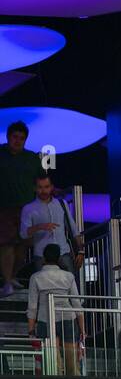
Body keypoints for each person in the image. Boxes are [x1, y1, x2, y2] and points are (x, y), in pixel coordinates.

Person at [27, 243, 84, 376]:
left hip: (45, 319)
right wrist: (82, 329)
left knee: (52, 365)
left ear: (44, 258)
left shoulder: (36, 277)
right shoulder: (68, 276)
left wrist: (31, 331)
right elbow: (76, 304)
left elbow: (32, 307)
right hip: (68, 318)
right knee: (72, 363)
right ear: (59, 258)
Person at [0, 122, 44, 297]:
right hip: (3, 208)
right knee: (6, 244)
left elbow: (41, 180)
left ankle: (12, 277)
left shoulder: (32, 158)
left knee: (23, 245)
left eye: (21, 138)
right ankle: (8, 281)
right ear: (8, 137)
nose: (17, 141)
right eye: (14, 137)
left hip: (27, 209)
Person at [19, 173, 82, 274]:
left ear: (51, 187)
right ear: (35, 188)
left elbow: (73, 229)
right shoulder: (29, 208)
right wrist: (39, 226)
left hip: (63, 253)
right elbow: (23, 233)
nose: (43, 191)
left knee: (69, 285)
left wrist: (81, 251)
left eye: (46, 187)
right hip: (42, 256)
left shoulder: (61, 204)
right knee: (44, 287)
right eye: (40, 187)